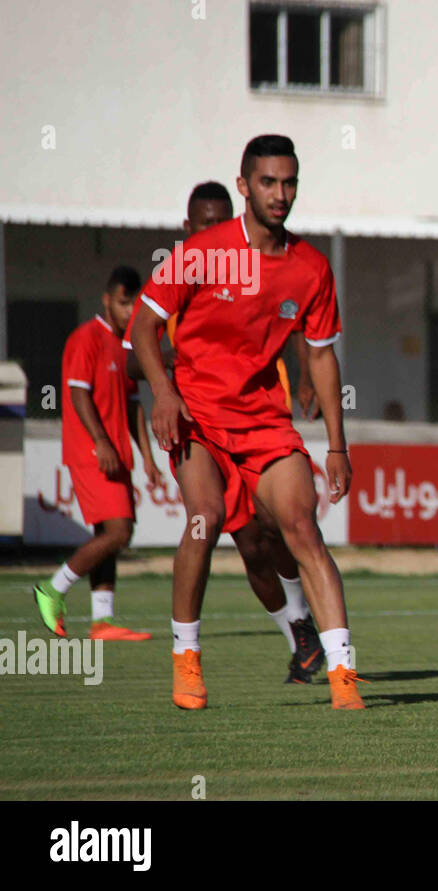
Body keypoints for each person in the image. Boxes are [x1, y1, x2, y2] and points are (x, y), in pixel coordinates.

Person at [131, 134, 363, 710]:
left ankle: (343, 679)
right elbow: (142, 325)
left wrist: (337, 445)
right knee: (204, 521)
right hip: (197, 418)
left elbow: (320, 356)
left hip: (263, 423)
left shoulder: (310, 268)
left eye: (289, 183)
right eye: (268, 182)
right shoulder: (203, 251)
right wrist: (163, 391)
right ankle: (187, 659)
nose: (280, 194)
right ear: (243, 187)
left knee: (303, 530)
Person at [33, 267, 162, 641]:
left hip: (117, 454)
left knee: (112, 532)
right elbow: (77, 393)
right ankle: (52, 589)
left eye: (133, 306)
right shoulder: (85, 339)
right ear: (107, 300)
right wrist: (102, 441)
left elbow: (134, 404)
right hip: (92, 452)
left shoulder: (128, 348)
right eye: (123, 304)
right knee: (118, 531)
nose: (128, 312)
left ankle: (103, 622)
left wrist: (149, 458)